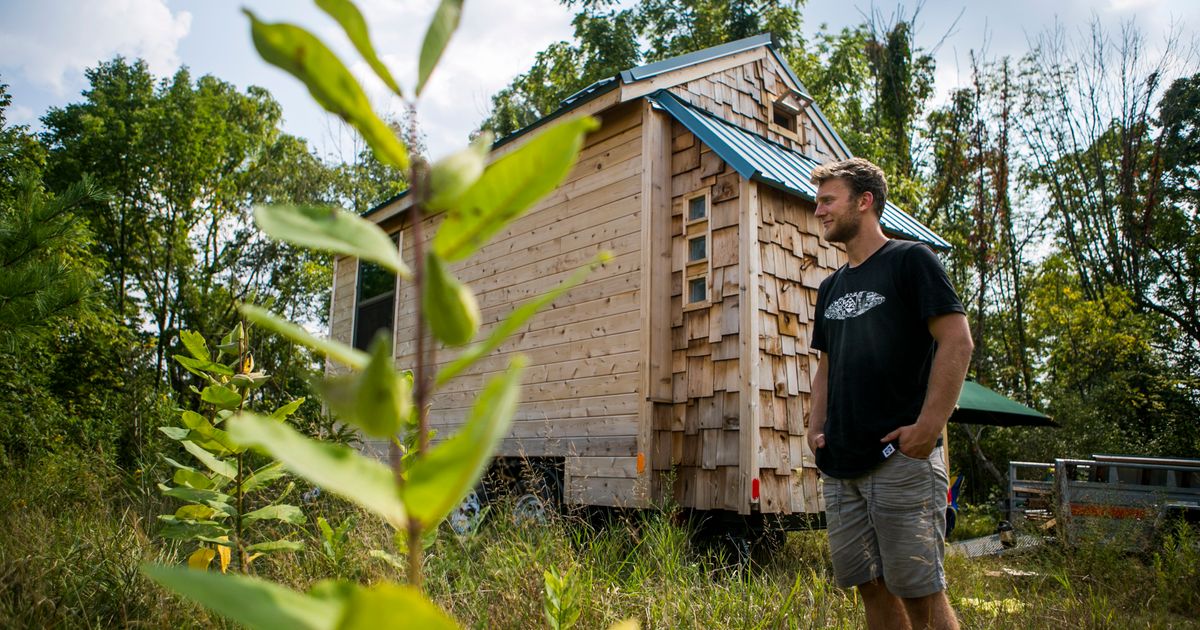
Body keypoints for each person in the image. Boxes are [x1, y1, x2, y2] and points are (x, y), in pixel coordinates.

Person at [806, 158, 973, 630]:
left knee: (920, 593)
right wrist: (815, 427)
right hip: (841, 464)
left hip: (901, 459)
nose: (817, 210)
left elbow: (957, 341)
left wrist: (930, 427)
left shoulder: (910, 260)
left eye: (827, 200)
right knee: (870, 589)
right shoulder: (831, 287)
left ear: (865, 201)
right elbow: (827, 364)